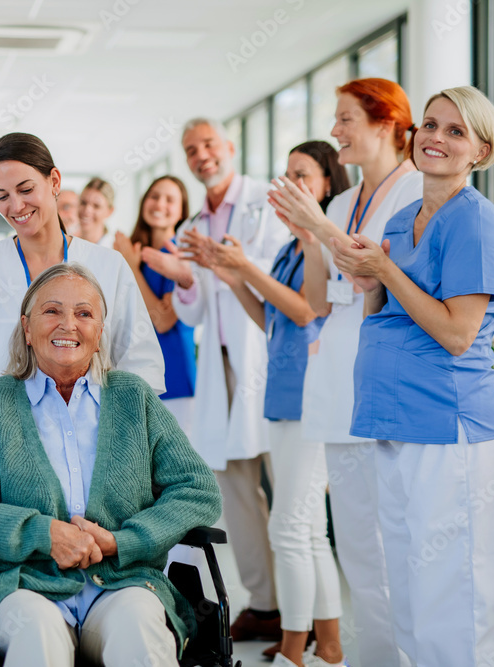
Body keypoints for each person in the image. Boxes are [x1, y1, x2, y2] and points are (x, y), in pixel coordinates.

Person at [0, 263, 222, 667]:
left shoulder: (133, 398)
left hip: (124, 583)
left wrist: (124, 541)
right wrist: (43, 534)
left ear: (99, 333)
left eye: (84, 314)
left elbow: (198, 490)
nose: (68, 325)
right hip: (25, 586)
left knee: (141, 636)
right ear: (27, 329)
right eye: (52, 311)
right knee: (36, 638)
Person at [331, 86, 494, 667]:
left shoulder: (475, 223)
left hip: (449, 423)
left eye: (455, 131)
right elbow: (386, 310)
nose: (434, 137)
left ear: (480, 151)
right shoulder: (404, 217)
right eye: (429, 125)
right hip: (395, 418)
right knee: (410, 588)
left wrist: (384, 268)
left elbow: (458, 332)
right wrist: (371, 282)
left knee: (453, 594)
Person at [268, 78, 422, 667]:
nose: (336, 132)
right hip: (335, 381)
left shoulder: (412, 194)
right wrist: (312, 234)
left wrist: (322, 226)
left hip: (383, 381)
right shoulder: (340, 203)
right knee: (356, 547)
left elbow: (373, 280)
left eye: (346, 120)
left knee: (391, 546)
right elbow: (321, 299)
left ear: (385, 124)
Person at [142, 117, 291, 642]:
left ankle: (308, 614)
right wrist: (186, 279)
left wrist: (233, 264)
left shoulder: (264, 202)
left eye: (209, 144)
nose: (201, 154)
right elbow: (195, 312)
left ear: (229, 147)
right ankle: (265, 603)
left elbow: (282, 275)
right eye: (190, 149)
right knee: (234, 487)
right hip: (222, 364)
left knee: (289, 483)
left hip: (270, 359)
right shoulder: (191, 229)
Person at [0, 132, 164, 445]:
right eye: (2, 195)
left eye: (26, 189)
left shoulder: (108, 266)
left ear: (55, 182)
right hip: (2, 440)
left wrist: (126, 428)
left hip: (93, 442)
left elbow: (140, 359)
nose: (16, 205)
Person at [203, 141, 349, 666]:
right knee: (307, 531)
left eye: (303, 176)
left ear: (328, 184)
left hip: (316, 403)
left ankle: (295, 648)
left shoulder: (324, 246)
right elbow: (272, 320)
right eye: (285, 175)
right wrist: (234, 277)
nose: (290, 184)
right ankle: (328, 646)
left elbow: (311, 310)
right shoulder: (292, 249)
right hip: (286, 400)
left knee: (289, 527)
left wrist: (247, 267)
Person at [112, 176, 195, 428]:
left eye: (170, 199)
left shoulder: (181, 255)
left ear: (182, 211)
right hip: (136, 376)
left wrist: (132, 268)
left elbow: (163, 321)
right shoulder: (134, 253)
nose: (160, 203)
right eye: (154, 196)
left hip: (175, 378)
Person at [77, 177, 116, 247]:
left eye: (96, 206)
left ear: (110, 211)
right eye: (83, 203)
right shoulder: (69, 245)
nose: (87, 210)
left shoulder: (115, 250)